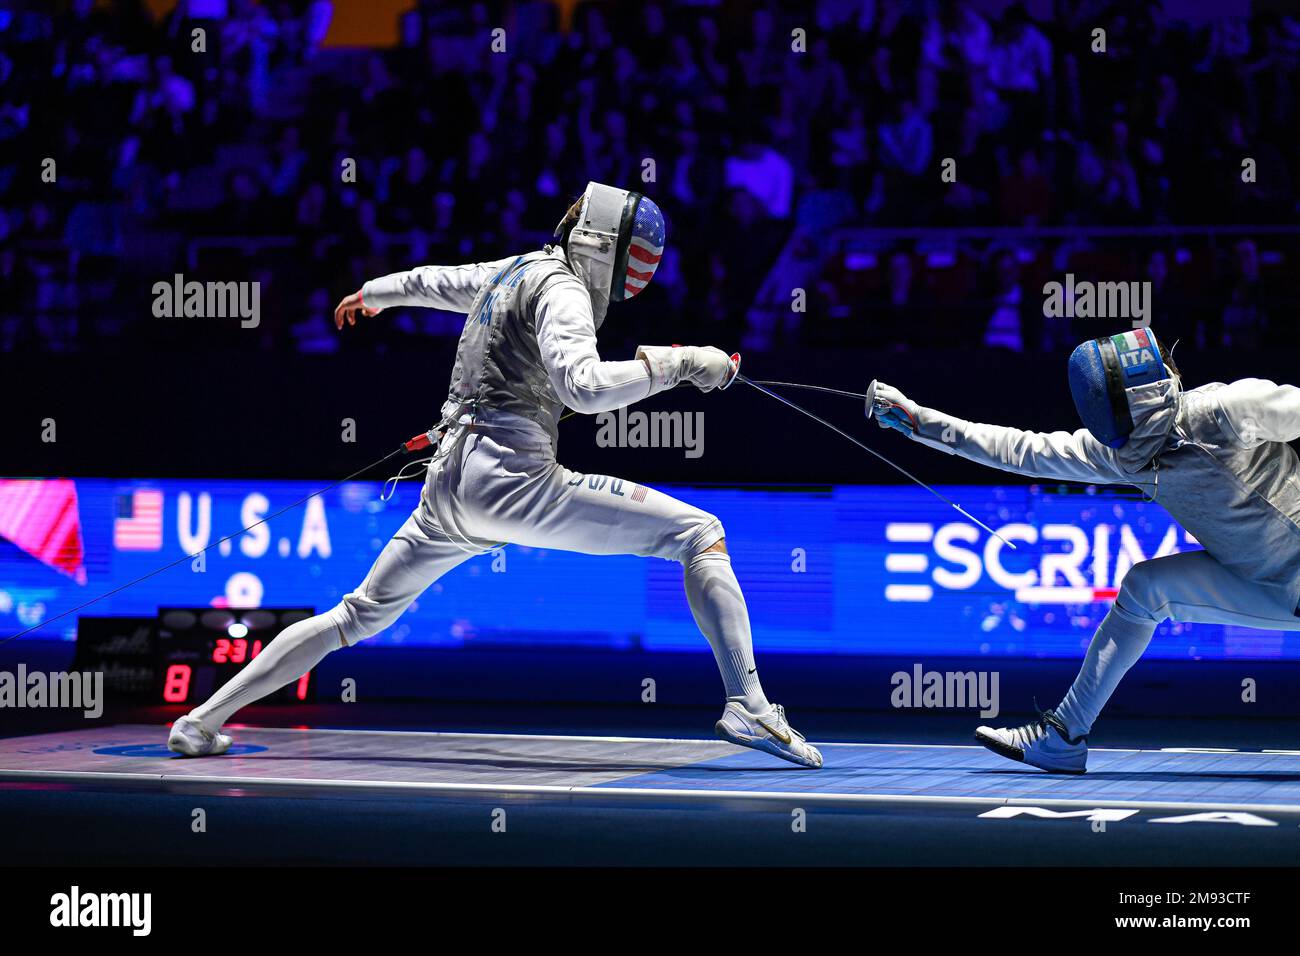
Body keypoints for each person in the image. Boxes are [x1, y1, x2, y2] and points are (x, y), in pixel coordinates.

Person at [167, 182, 822, 769]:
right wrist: (680, 363)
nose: (635, 277)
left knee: (355, 616)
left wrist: (373, 294)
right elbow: (585, 387)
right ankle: (749, 703)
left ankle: (199, 722)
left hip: (447, 488)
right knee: (699, 531)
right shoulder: (564, 290)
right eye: (632, 260)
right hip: (511, 482)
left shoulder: (510, 271)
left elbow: (429, 282)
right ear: (603, 247)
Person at [868, 327, 1300, 773]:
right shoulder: (1123, 455)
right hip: (1269, 586)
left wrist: (921, 421)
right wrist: (920, 421)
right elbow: (1018, 450)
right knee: (1146, 587)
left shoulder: (1229, 411)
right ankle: (1063, 738)